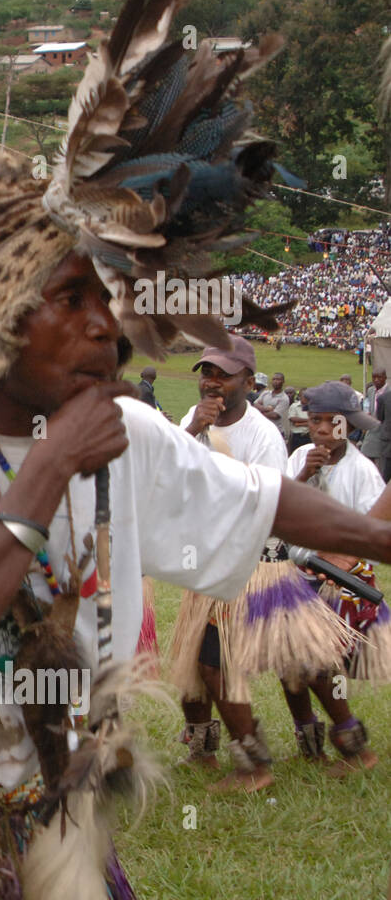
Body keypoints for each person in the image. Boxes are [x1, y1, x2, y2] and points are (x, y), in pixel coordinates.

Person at [0, 0, 391, 900]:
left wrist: (383, 540)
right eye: (69, 300)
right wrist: (51, 464)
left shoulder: (129, 430)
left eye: (104, 296)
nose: (105, 325)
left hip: (58, 815)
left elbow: (259, 499)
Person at [170, 338, 351, 791]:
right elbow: (166, 479)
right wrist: (191, 432)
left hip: (254, 564)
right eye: (206, 371)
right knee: (195, 667)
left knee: (268, 664)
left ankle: (257, 766)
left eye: (223, 374)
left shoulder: (262, 436)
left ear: (249, 383)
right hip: (212, 565)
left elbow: (267, 507)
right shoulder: (189, 423)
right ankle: (203, 751)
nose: (211, 381)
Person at [284, 381, 384, 772]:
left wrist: (341, 560)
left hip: (339, 582)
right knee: (287, 663)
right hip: (297, 576)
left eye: (333, 422)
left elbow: (373, 532)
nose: (323, 430)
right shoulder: (298, 460)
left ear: (351, 427)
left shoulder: (362, 471)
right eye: (316, 421)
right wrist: (304, 476)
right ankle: (308, 741)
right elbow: (279, 508)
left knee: (317, 663)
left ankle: (354, 744)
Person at [254, 372, 290, 438]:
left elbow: (275, 415)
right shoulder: (265, 393)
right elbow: (255, 404)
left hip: (276, 432)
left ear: (283, 381)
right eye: (274, 379)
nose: (275, 381)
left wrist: (259, 413)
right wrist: (267, 409)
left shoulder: (284, 398)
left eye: (278, 379)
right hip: (262, 430)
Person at [286, 387, 310, 453]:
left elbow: (314, 422)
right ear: (299, 396)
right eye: (303, 396)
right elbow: (293, 419)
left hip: (309, 436)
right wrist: (309, 421)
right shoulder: (294, 406)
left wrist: (299, 424)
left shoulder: (313, 407)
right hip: (297, 437)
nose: (305, 398)